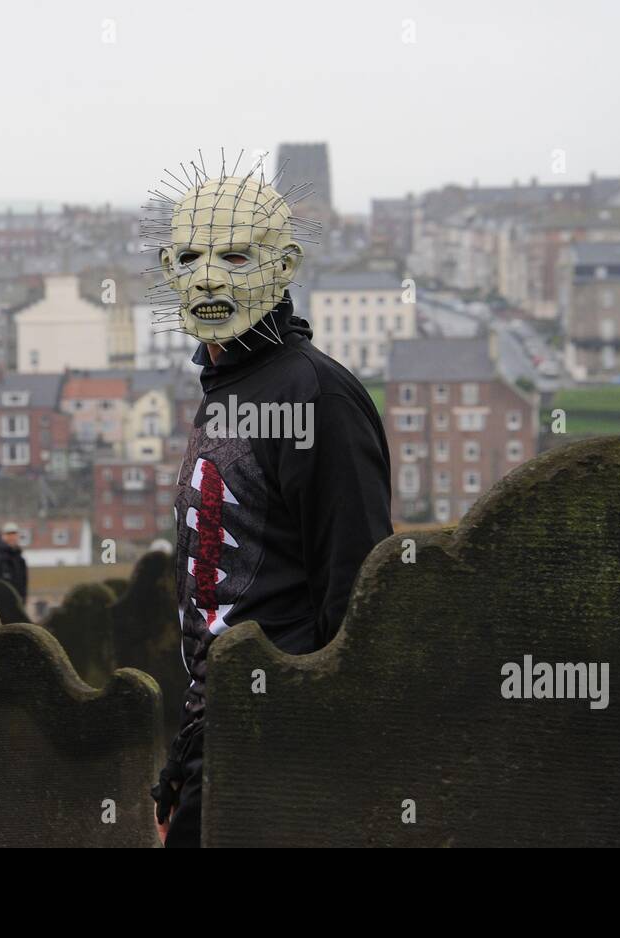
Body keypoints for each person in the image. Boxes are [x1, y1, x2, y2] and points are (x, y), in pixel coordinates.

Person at [145, 169, 393, 847]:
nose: (207, 279)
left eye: (233, 256)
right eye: (190, 258)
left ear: (284, 267)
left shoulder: (317, 398)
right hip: (220, 739)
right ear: (167, 268)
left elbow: (359, 598)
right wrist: (183, 769)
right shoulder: (229, 384)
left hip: (279, 750)